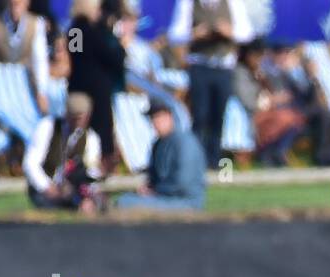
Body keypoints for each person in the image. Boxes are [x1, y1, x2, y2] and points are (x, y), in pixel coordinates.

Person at [168, 0, 254, 168]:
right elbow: (175, 33)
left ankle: (214, 161)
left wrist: (229, 31)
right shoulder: (188, 3)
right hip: (200, 64)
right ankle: (195, 161)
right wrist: (195, 33)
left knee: (219, 116)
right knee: (200, 115)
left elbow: (247, 33)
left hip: (223, 66)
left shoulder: (232, 3)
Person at [67, 0, 126, 176]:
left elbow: (75, 55)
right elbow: (111, 57)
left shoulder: (74, 30)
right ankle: (106, 161)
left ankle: (78, 160)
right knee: (104, 126)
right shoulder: (91, 31)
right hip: (95, 87)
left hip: (77, 85)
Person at [117, 98, 206, 210]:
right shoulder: (158, 144)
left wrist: (156, 191)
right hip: (164, 197)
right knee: (125, 199)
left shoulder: (185, 142)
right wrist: (147, 189)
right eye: (153, 118)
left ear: (170, 116)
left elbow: (184, 183)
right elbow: (153, 177)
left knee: (126, 203)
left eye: (159, 117)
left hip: (185, 201)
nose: (155, 122)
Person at [24, 91, 103, 212]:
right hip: (44, 190)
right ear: (66, 114)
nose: (77, 122)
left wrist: (88, 196)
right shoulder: (48, 127)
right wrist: (47, 187)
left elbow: (92, 171)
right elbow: (30, 163)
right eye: (74, 117)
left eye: (80, 118)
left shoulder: (91, 138)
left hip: (74, 190)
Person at [0, 0, 50, 114]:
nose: (16, 3)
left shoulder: (36, 24)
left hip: (23, 89)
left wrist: (41, 92)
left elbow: (40, 61)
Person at [234, 40, 306, 166]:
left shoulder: (260, 71)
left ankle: (276, 151)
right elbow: (249, 102)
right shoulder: (240, 73)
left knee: (296, 117)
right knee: (288, 117)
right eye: (258, 56)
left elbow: (299, 91)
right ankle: (268, 150)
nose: (260, 60)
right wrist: (272, 100)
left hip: (266, 113)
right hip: (247, 117)